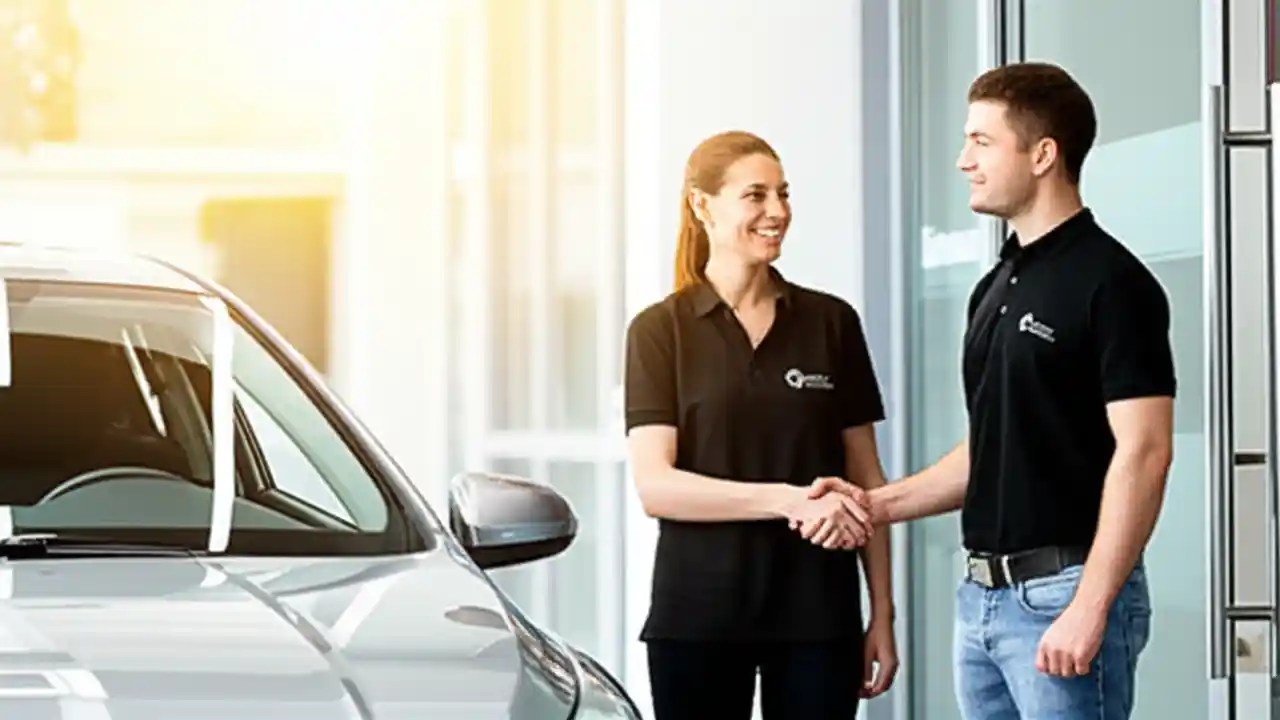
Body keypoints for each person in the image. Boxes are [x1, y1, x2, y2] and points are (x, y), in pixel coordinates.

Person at [813, 62, 1174, 718]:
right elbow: (991, 450)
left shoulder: (1113, 283)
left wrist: (1089, 607)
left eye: (981, 141)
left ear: (1042, 155)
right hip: (980, 600)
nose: (962, 160)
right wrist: (874, 504)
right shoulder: (996, 286)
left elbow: (1145, 452)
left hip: (1063, 597)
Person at [623, 129, 898, 720]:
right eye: (756, 195)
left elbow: (867, 482)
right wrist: (789, 501)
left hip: (818, 619)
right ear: (704, 206)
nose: (777, 212)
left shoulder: (832, 323)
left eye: (784, 194)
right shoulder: (659, 331)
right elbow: (656, 486)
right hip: (697, 617)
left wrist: (882, 614)